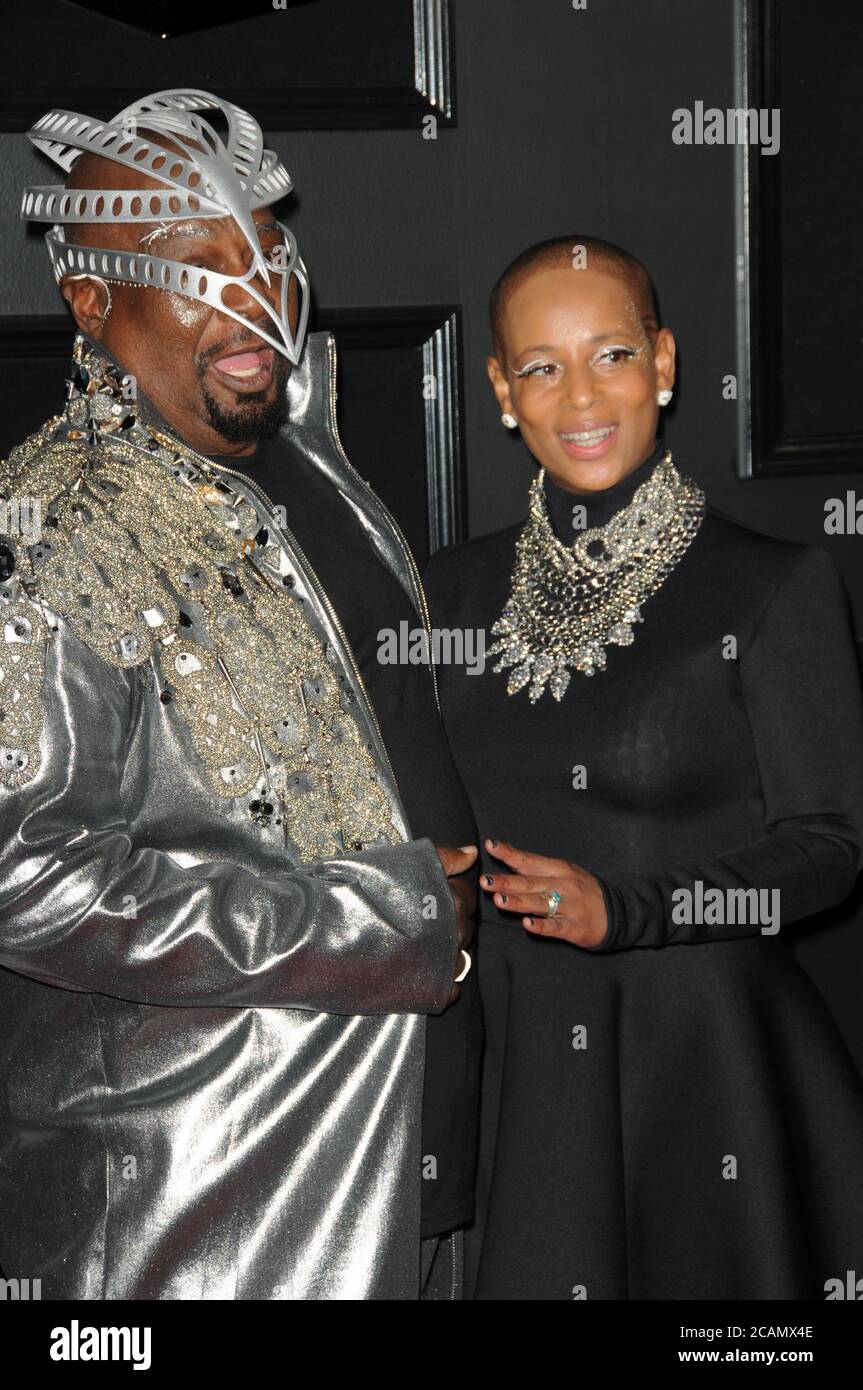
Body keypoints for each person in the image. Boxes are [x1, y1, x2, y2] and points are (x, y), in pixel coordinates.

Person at [0, 88, 481, 1301]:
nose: (248, 289)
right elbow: (26, 879)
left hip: (419, 1153)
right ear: (91, 299)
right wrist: (384, 925)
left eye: (264, 249)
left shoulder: (313, 468)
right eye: (193, 261)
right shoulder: (50, 534)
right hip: (218, 1209)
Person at [422, 234, 863, 1300]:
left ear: (663, 363)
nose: (580, 395)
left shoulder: (771, 585)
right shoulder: (439, 595)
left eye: (610, 354)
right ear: (500, 390)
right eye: (540, 366)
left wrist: (628, 907)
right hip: (518, 1077)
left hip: (705, 1071)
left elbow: (830, 850)